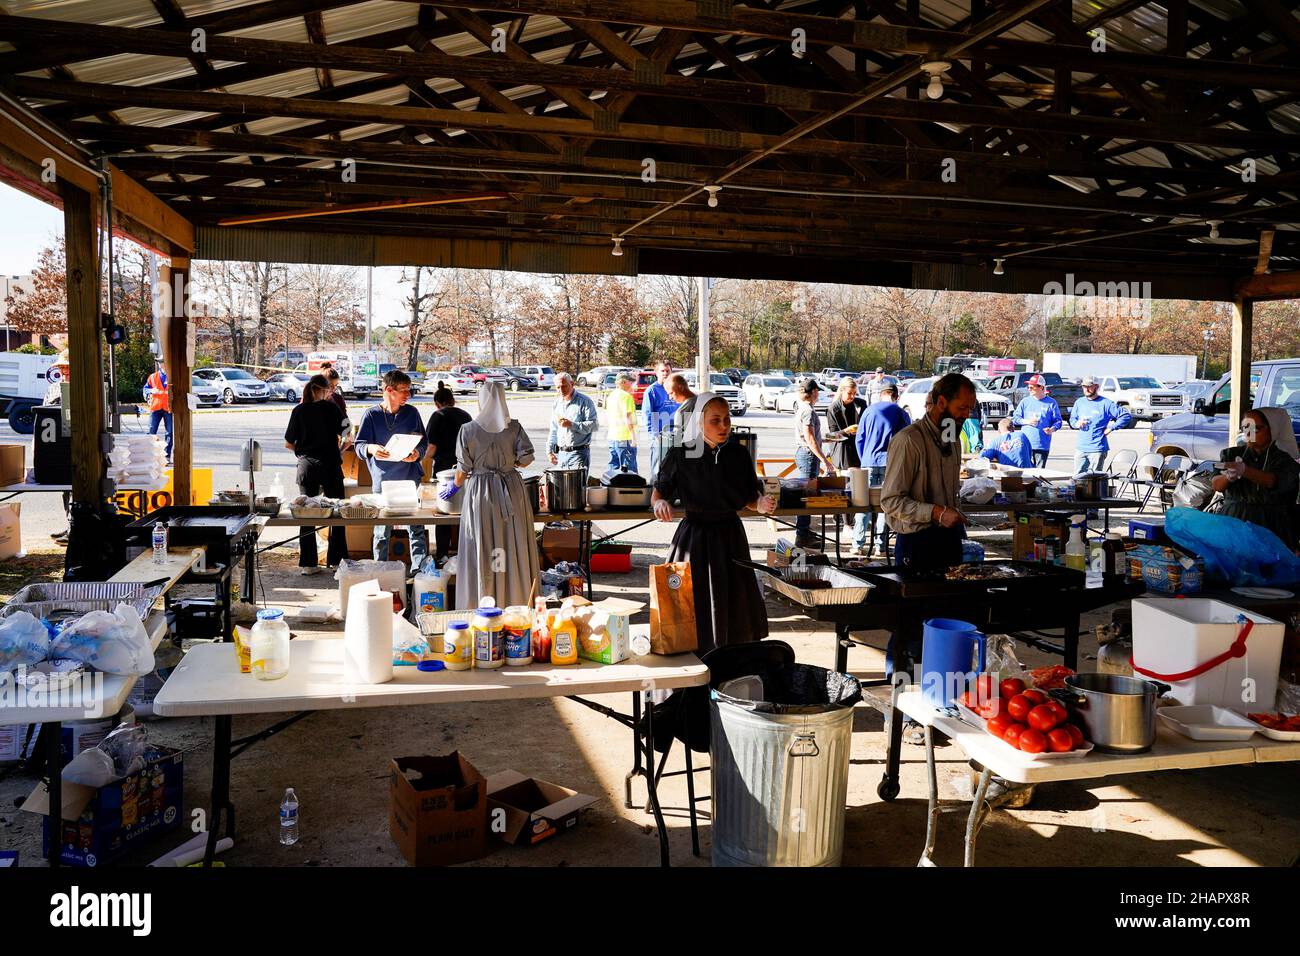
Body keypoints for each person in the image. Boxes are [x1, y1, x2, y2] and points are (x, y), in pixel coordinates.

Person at [651, 393, 776, 652]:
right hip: (694, 538)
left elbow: (749, 498)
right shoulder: (681, 454)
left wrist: (761, 504)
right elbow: (659, 493)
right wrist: (659, 504)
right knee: (691, 603)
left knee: (733, 602)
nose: (723, 426)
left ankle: (730, 662)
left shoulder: (738, 454)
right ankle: (693, 659)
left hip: (731, 537)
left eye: (727, 419)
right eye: (715, 420)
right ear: (699, 422)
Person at [880, 373, 976, 680]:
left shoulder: (952, 437)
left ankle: (939, 697)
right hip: (916, 546)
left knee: (946, 625)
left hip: (948, 541)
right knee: (909, 629)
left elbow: (950, 492)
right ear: (941, 402)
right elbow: (891, 501)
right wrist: (935, 512)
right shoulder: (909, 441)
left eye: (970, 408)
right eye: (962, 408)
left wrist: (954, 511)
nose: (967, 415)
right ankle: (900, 709)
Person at [440, 382, 540, 608]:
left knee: (484, 544)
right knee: (509, 542)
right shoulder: (513, 427)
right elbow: (527, 458)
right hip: (510, 489)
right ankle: (513, 598)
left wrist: (454, 488)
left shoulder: (468, 430)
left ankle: (484, 600)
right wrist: (508, 462)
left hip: (481, 493)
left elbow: (462, 470)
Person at [355, 369, 428, 566]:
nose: (408, 395)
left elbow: (423, 442)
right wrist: (371, 448)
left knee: (416, 529)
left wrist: (417, 454)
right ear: (389, 390)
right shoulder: (371, 415)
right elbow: (359, 445)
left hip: (409, 478)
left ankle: (418, 570)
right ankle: (380, 568)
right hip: (383, 481)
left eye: (409, 390)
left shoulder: (412, 413)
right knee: (381, 530)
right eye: (403, 390)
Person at [284, 374, 348, 573]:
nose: (330, 394)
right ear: (321, 390)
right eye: (329, 390)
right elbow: (348, 433)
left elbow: (288, 442)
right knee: (338, 512)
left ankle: (308, 564)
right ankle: (338, 561)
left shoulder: (299, 410)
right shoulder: (331, 408)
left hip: (307, 467)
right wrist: (340, 449)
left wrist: (303, 453)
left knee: (306, 514)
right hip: (330, 464)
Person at [1211, 408, 1300, 549]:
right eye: (1246, 427)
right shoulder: (1231, 453)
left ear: (1272, 429)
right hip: (1235, 521)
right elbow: (1216, 485)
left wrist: (1245, 471)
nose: (1249, 432)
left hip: (1271, 525)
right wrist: (1228, 477)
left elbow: (1272, 481)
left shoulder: (1283, 459)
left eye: (1256, 428)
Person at [856, 383, 911, 553]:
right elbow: (907, 440)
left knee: (862, 504)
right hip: (890, 464)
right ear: (896, 396)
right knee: (885, 506)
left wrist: (863, 459)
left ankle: (857, 544)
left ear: (881, 395)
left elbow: (859, 438)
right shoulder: (901, 413)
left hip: (868, 461)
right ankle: (880, 545)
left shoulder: (868, 411)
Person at [423, 381, 472, 561]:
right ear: (453, 400)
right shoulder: (466, 415)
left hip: (444, 470)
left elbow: (432, 448)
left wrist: (421, 462)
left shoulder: (437, 416)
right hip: (464, 469)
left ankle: (442, 553)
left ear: (437, 403)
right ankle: (463, 553)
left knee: (443, 511)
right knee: (463, 513)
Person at [827, 377, 869, 553]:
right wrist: (846, 431)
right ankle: (847, 523)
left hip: (858, 449)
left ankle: (858, 519)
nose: (852, 396)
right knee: (846, 486)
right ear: (842, 391)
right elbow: (831, 434)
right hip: (842, 449)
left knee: (859, 486)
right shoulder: (833, 408)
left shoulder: (861, 403)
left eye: (854, 393)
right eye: (849, 393)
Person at [793, 378, 835, 547]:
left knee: (807, 493)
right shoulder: (807, 411)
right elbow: (809, 438)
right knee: (806, 495)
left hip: (807, 453)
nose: (818, 394)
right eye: (817, 391)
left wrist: (823, 439)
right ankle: (802, 534)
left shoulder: (805, 409)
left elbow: (812, 436)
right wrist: (824, 461)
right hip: (808, 455)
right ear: (813, 393)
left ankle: (805, 531)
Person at [1069, 375, 1131, 473]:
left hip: (1097, 449)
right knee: (1078, 479)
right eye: (1084, 386)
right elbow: (1072, 420)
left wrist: (1112, 427)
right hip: (1081, 448)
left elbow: (1126, 416)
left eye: (1089, 386)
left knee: (1094, 481)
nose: (1086, 389)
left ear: (1097, 387)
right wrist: (1077, 423)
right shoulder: (1079, 402)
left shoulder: (1106, 403)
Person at [547, 372, 598, 474]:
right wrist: (549, 451)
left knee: (577, 488)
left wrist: (572, 425)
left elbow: (594, 425)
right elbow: (554, 429)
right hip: (561, 454)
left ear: (572, 384)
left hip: (578, 454)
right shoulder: (557, 403)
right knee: (561, 489)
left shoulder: (585, 401)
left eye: (564, 386)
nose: (561, 390)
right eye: (558, 387)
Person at [1011, 374, 1062, 468]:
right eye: (1028, 387)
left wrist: (1052, 429)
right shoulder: (1025, 401)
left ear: (1041, 387)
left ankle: (1037, 484)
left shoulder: (1051, 403)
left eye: (1032, 387)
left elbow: (1058, 421)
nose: (1029, 389)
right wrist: (1027, 421)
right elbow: (1015, 419)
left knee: (1039, 474)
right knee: (1025, 472)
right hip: (1025, 443)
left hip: (1042, 444)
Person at [643, 359, 678, 480]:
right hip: (660, 437)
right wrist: (654, 435)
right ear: (656, 373)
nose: (665, 373)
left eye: (668, 370)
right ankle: (654, 496)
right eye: (662, 370)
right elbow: (648, 415)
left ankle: (672, 497)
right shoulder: (651, 391)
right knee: (658, 470)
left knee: (675, 470)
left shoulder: (677, 389)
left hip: (677, 435)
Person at [604, 371, 638, 474]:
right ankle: (630, 490)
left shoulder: (611, 396)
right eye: (630, 382)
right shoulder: (626, 397)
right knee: (629, 472)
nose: (632, 384)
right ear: (623, 382)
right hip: (624, 438)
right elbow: (628, 418)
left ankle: (611, 489)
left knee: (613, 470)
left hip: (612, 437)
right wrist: (633, 438)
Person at [144, 360, 173, 465]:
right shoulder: (152, 377)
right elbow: (145, 389)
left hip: (168, 408)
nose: (162, 364)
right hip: (155, 407)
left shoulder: (172, 376)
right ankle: (150, 455)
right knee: (151, 431)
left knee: (169, 432)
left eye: (163, 362)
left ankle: (167, 456)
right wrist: (151, 391)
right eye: (160, 362)